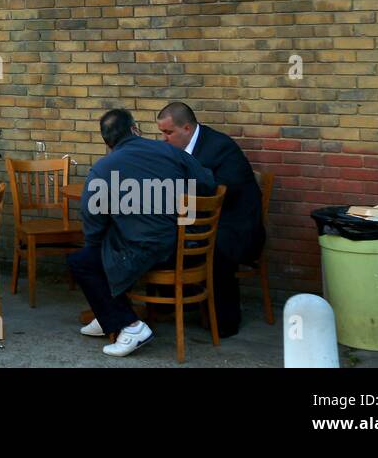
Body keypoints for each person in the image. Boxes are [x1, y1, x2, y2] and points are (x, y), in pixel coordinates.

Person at [67, 108, 216, 358]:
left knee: (83, 261)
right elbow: (207, 183)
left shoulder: (104, 168)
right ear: (135, 129)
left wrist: (95, 245)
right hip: (184, 248)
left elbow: (91, 214)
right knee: (108, 249)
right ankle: (107, 316)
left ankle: (130, 325)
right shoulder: (171, 151)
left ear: (107, 142)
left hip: (147, 251)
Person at [156, 101, 265, 337]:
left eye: (168, 132)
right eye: (162, 133)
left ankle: (224, 322)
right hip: (201, 219)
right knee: (158, 234)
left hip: (237, 225)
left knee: (210, 247)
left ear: (186, 128)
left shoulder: (220, 147)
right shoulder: (177, 149)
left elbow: (224, 191)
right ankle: (165, 305)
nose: (164, 138)